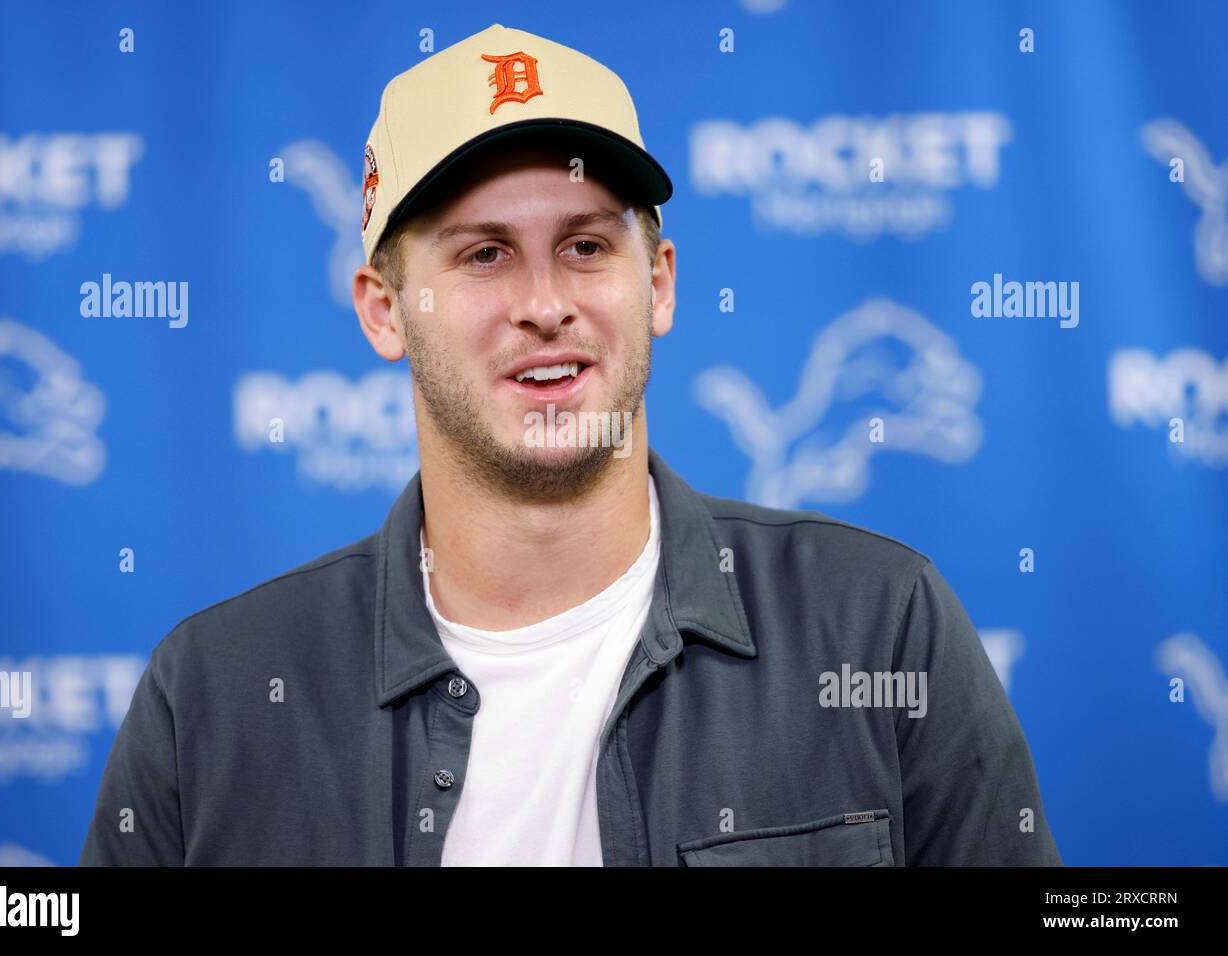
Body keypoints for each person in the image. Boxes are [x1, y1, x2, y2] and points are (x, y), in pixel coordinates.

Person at [80, 22, 1061, 866]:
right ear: (384, 311)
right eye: (483, 254)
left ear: (661, 283)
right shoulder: (212, 692)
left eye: (587, 245)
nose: (544, 306)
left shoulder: (879, 624)